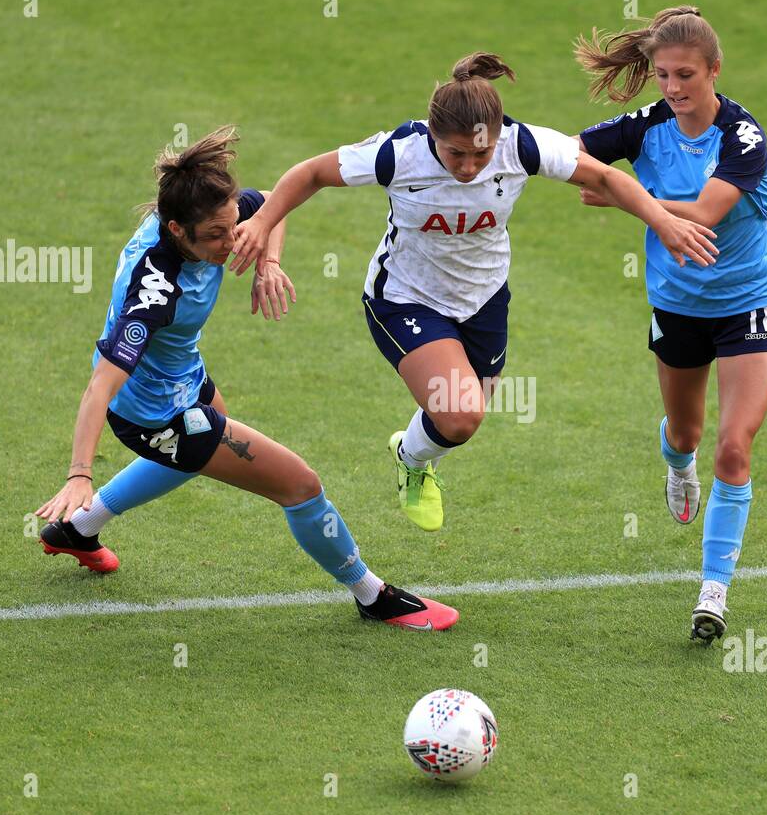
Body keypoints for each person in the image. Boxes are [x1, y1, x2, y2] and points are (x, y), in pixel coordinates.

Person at [229, 52, 719, 533]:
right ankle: (413, 464)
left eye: (479, 154)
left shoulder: (521, 146)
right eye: (455, 153)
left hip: (485, 300)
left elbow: (605, 176)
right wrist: (264, 230)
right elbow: (312, 173)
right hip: (404, 298)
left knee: (466, 416)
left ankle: (413, 452)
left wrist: (664, 222)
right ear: (432, 135)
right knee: (460, 414)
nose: (467, 167)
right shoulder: (400, 153)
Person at [34, 126, 456, 631]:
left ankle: (79, 531)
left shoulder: (217, 220)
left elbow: (272, 207)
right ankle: (372, 595)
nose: (231, 242)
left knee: (210, 437)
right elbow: (100, 386)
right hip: (153, 414)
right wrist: (79, 473)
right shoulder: (154, 289)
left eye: (232, 227)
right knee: (300, 485)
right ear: (175, 231)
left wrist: (267, 261)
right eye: (215, 236)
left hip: (181, 375)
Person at [574, 6, 767, 643]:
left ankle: (713, 590)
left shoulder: (743, 138)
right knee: (687, 432)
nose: (673, 88)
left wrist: (620, 193)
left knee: (734, 445)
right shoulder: (647, 126)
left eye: (686, 76)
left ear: (715, 70)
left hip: (752, 299)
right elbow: (571, 154)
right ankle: (676, 460)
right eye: (664, 76)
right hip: (678, 303)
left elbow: (702, 213)